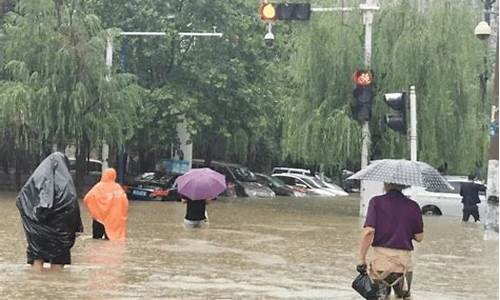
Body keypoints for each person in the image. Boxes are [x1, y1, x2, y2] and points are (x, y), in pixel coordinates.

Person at [16, 152, 83, 271]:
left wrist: (34, 220)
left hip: (38, 231)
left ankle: (36, 281)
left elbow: (22, 200)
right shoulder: (67, 187)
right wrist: (77, 227)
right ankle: (55, 283)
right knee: (58, 257)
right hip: (60, 231)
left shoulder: (35, 182)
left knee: (37, 255)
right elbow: (72, 207)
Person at [358, 182, 424, 300]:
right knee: (403, 297)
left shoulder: (376, 202)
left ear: (386, 185)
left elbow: (369, 232)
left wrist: (362, 259)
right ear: (403, 186)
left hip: (381, 263)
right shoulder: (413, 206)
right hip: (403, 264)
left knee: (380, 297)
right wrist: (405, 230)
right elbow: (419, 237)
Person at [84, 168, 128, 241]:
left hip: (99, 218)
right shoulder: (118, 188)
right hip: (114, 220)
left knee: (96, 241)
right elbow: (125, 203)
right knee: (111, 240)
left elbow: (87, 198)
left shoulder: (99, 187)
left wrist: (96, 210)